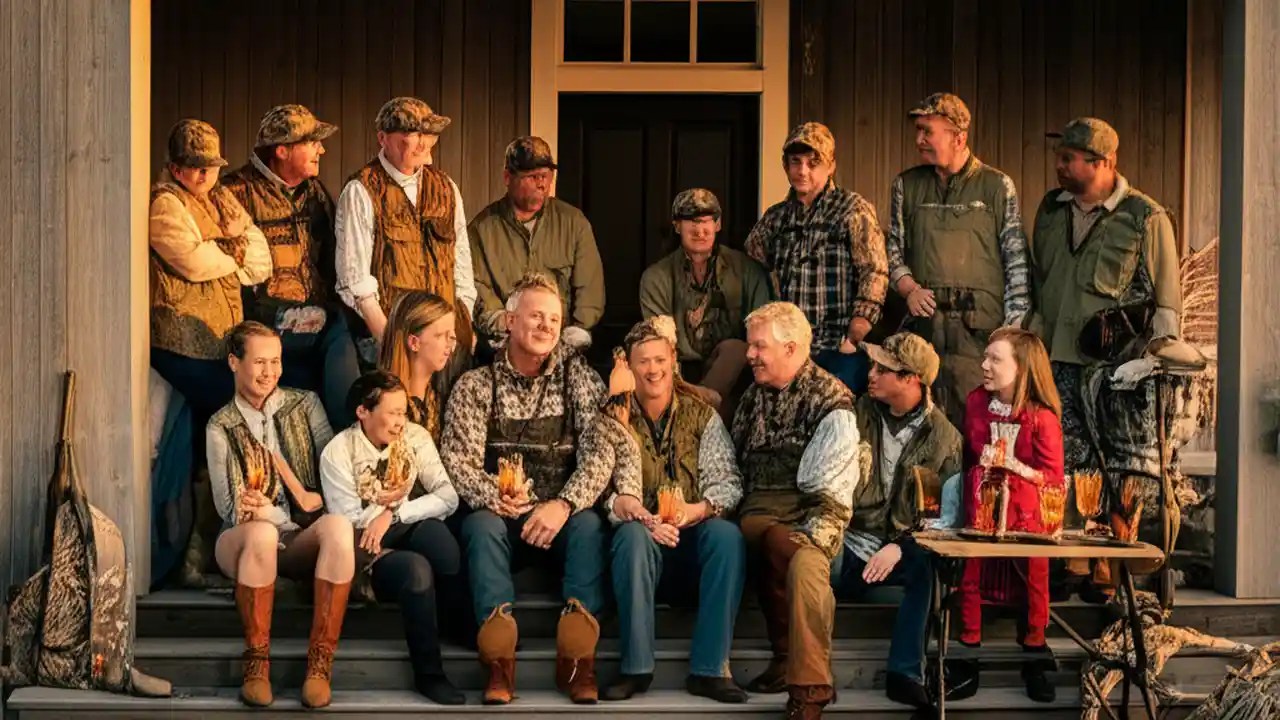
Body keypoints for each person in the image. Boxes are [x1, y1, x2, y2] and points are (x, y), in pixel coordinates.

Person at [1028, 117, 1197, 593]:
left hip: (1117, 370)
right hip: (1056, 360)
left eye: (1069, 158)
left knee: (1122, 468)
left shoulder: (1145, 217)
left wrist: (1154, 371)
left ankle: (1112, 566)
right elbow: (1042, 286)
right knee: (1066, 462)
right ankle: (1075, 562)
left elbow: (1166, 304)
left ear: (1102, 163)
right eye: (1060, 156)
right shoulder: (1050, 210)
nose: (1059, 165)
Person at [440, 271, 610, 705]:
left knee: (590, 526)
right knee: (478, 526)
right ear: (509, 322)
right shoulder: (476, 385)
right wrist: (494, 494)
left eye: (554, 319)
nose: (546, 327)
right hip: (504, 518)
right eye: (536, 316)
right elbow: (457, 460)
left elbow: (600, 454)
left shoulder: (580, 381)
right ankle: (499, 662)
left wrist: (563, 504)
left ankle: (577, 661)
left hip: (558, 521)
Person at [596, 316, 747, 703]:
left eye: (660, 360)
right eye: (643, 361)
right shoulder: (613, 416)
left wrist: (694, 511)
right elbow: (602, 492)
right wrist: (641, 520)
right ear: (628, 366)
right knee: (629, 535)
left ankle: (711, 670)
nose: (653, 370)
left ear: (674, 361)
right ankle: (636, 668)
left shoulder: (702, 416)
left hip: (689, 539)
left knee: (727, 535)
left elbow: (727, 484)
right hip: (639, 546)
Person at [205, 321, 352, 708]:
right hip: (240, 540)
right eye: (259, 362)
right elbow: (228, 506)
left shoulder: (305, 405)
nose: (269, 372)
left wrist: (288, 510)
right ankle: (257, 664)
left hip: (296, 534)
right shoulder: (220, 424)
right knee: (261, 534)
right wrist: (268, 516)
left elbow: (331, 478)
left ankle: (320, 665)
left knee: (338, 527)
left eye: (276, 362)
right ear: (234, 362)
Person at [732, 302, 860, 718]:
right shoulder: (753, 395)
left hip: (810, 518)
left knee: (800, 561)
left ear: (790, 349)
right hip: (755, 518)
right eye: (751, 345)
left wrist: (812, 545)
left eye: (759, 346)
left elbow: (833, 497)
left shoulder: (831, 402)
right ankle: (785, 661)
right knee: (757, 537)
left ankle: (809, 688)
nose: (750, 354)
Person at [829, 332, 962, 709]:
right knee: (809, 556)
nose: (871, 374)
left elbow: (944, 519)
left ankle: (904, 674)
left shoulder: (945, 440)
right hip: (848, 544)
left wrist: (900, 546)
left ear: (910, 379)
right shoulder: (855, 414)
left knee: (928, 567)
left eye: (882, 369)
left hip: (898, 556)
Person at [319, 371, 466, 705]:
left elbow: (448, 496)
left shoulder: (415, 438)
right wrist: (382, 517)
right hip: (365, 552)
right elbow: (350, 523)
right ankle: (430, 674)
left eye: (404, 412)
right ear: (363, 412)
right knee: (416, 570)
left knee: (438, 539)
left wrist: (394, 513)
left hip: (398, 526)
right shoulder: (338, 452)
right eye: (394, 412)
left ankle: (461, 623)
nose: (402, 421)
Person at [886, 93, 1031, 427]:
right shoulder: (906, 186)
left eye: (927, 131)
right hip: (926, 332)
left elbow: (1016, 262)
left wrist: (1011, 334)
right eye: (918, 130)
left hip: (979, 335)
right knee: (924, 427)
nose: (918, 139)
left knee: (980, 429)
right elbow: (892, 249)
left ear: (959, 138)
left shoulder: (996, 186)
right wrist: (908, 288)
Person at [222, 104, 360, 429]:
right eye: (312, 143)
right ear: (282, 150)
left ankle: (350, 453)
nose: (321, 150)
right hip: (266, 323)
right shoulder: (235, 193)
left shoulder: (315, 191)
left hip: (318, 318)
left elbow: (331, 257)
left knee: (344, 355)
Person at [956, 328, 1065, 703]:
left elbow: (1053, 477)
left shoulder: (1042, 417)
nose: (984, 365)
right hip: (983, 506)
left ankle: (1034, 652)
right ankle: (967, 654)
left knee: (1034, 577)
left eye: (995, 359)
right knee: (969, 574)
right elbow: (970, 455)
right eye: (985, 357)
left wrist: (1014, 466)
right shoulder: (975, 403)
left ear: (1022, 368)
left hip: (1025, 515)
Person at [334, 96, 476, 375]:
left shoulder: (446, 187)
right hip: (388, 346)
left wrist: (463, 327)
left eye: (427, 133)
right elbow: (355, 283)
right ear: (383, 138)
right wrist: (391, 344)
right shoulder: (362, 190)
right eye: (411, 134)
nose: (422, 142)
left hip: (445, 344)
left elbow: (462, 267)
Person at [745, 122, 889, 395]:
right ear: (785, 165)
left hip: (838, 344)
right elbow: (752, 257)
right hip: (790, 350)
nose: (802, 171)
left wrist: (858, 328)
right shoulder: (776, 217)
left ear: (831, 165)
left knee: (835, 416)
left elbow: (874, 270)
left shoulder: (851, 209)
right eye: (795, 162)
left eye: (813, 163)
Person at [150, 119, 271, 421]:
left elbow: (261, 261)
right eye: (196, 167)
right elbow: (194, 262)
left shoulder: (221, 197)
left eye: (211, 166)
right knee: (228, 411)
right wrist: (236, 246)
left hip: (220, 340)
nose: (205, 175)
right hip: (182, 343)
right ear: (177, 169)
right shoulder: (167, 202)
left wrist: (224, 246)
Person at [639, 188, 771, 422]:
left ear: (718, 225)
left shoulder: (747, 270)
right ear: (677, 226)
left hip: (734, 372)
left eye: (707, 222)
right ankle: (700, 411)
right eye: (691, 222)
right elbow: (658, 339)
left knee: (735, 349)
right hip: (679, 372)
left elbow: (762, 325)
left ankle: (693, 412)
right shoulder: (656, 277)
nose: (700, 231)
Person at [468, 136, 605, 352]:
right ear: (507, 177)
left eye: (547, 176)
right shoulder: (482, 229)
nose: (542, 184)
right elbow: (477, 288)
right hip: (504, 346)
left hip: (563, 346)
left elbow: (590, 288)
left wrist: (574, 335)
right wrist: (505, 324)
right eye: (532, 177)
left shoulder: (573, 222)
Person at [378, 291, 458, 439]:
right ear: (414, 343)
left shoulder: (443, 400)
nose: (453, 340)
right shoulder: (381, 405)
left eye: (452, 333)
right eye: (441, 335)